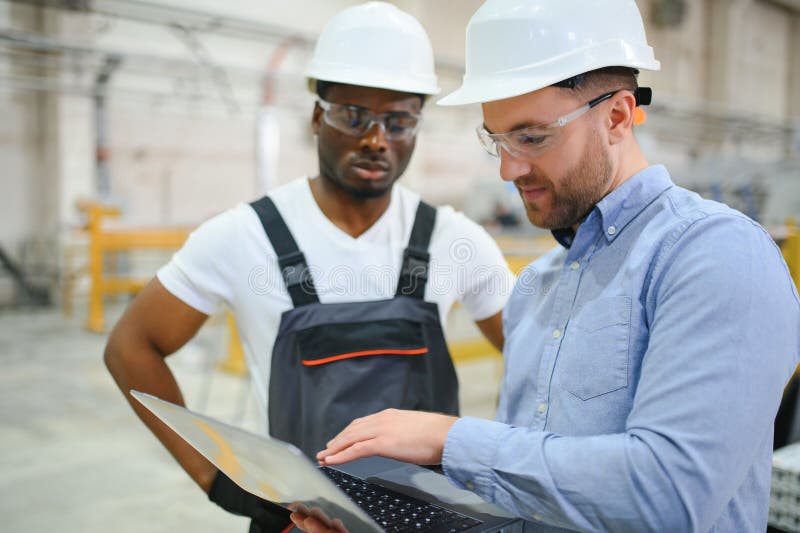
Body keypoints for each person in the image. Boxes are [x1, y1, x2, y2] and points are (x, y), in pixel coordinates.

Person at [297, 1, 800, 531]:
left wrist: (449, 440)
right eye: (497, 139)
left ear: (617, 116)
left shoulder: (713, 256)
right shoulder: (538, 286)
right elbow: (525, 497)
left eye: (532, 137)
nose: (509, 168)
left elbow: (671, 493)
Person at [103, 2, 514, 532]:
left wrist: (497, 468)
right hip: (297, 523)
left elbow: (541, 366)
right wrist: (215, 479)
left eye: (398, 120)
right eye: (353, 116)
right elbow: (129, 347)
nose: (375, 139)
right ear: (317, 115)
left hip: (428, 521)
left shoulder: (455, 241)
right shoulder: (243, 236)